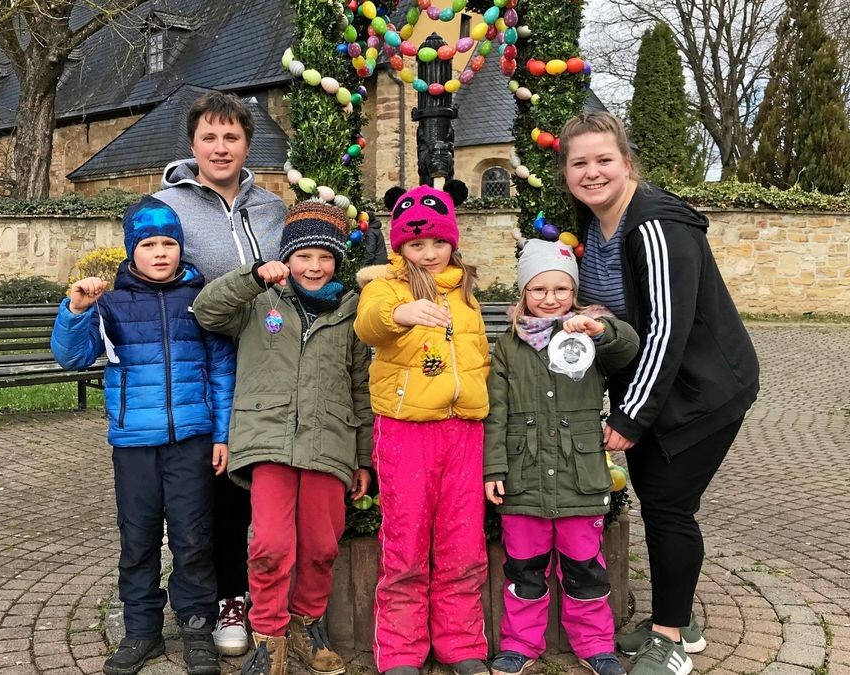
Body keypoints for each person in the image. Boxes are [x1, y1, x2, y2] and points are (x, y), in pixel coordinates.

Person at [558, 111, 760, 675]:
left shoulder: (656, 226)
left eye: (604, 160)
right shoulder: (594, 223)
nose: (593, 172)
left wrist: (631, 416)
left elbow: (668, 329)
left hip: (703, 389)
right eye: (579, 163)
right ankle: (679, 616)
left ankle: (671, 641)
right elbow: (628, 308)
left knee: (670, 507)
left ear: (627, 163)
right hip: (658, 385)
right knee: (659, 503)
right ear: (566, 172)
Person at [50, 197, 235, 675]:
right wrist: (76, 309)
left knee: (194, 539)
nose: (160, 253)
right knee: (138, 539)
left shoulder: (202, 300)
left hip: (192, 440)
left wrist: (222, 434)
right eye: (149, 245)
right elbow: (72, 357)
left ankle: (197, 628)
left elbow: (221, 370)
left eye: (168, 244)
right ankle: (142, 631)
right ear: (132, 249)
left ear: (180, 248)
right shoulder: (110, 304)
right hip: (134, 444)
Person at [193, 201, 374, 675]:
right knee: (270, 545)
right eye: (303, 256)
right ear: (287, 257)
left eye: (325, 257)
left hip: (329, 443)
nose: (314, 266)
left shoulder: (352, 311)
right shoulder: (260, 302)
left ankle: (305, 626)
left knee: (321, 546)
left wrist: (364, 458)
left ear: (338, 261)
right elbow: (207, 311)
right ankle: (268, 638)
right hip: (269, 440)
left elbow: (360, 385)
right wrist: (252, 277)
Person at [148, 91, 288, 654]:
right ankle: (218, 598)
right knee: (210, 488)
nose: (221, 147)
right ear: (193, 144)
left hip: (266, 362)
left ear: (248, 144)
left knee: (255, 485)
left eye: (232, 137)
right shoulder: (167, 207)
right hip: (199, 366)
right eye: (210, 137)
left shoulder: (273, 208)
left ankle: (255, 592)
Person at [483, 239, 640, 675]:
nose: (550, 299)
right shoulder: (509, 345)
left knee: (585, 570)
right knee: (524, 570)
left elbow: (627, 347)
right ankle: (520, 644)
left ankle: (595, 644)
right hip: (523, 477)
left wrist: (601, 330)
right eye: (539, 289)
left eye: (561, 289)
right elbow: (496, 412)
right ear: (523, 292)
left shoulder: (589, 332)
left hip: (579, 476)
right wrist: (493, 467)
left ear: (574, 291)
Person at [354, 181, 492, 675]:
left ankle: (461, 643)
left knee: (462, 542)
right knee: (406, 542)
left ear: (452, 241)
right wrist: (401, 313)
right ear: (401, 245)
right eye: (417, 244)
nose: (429, 253)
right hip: (406, 430)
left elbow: (480, 358)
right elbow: (368, 324)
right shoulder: (386, 286)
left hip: (464, 431)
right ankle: (400, 650)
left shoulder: (467, 292)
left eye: (437, 242)